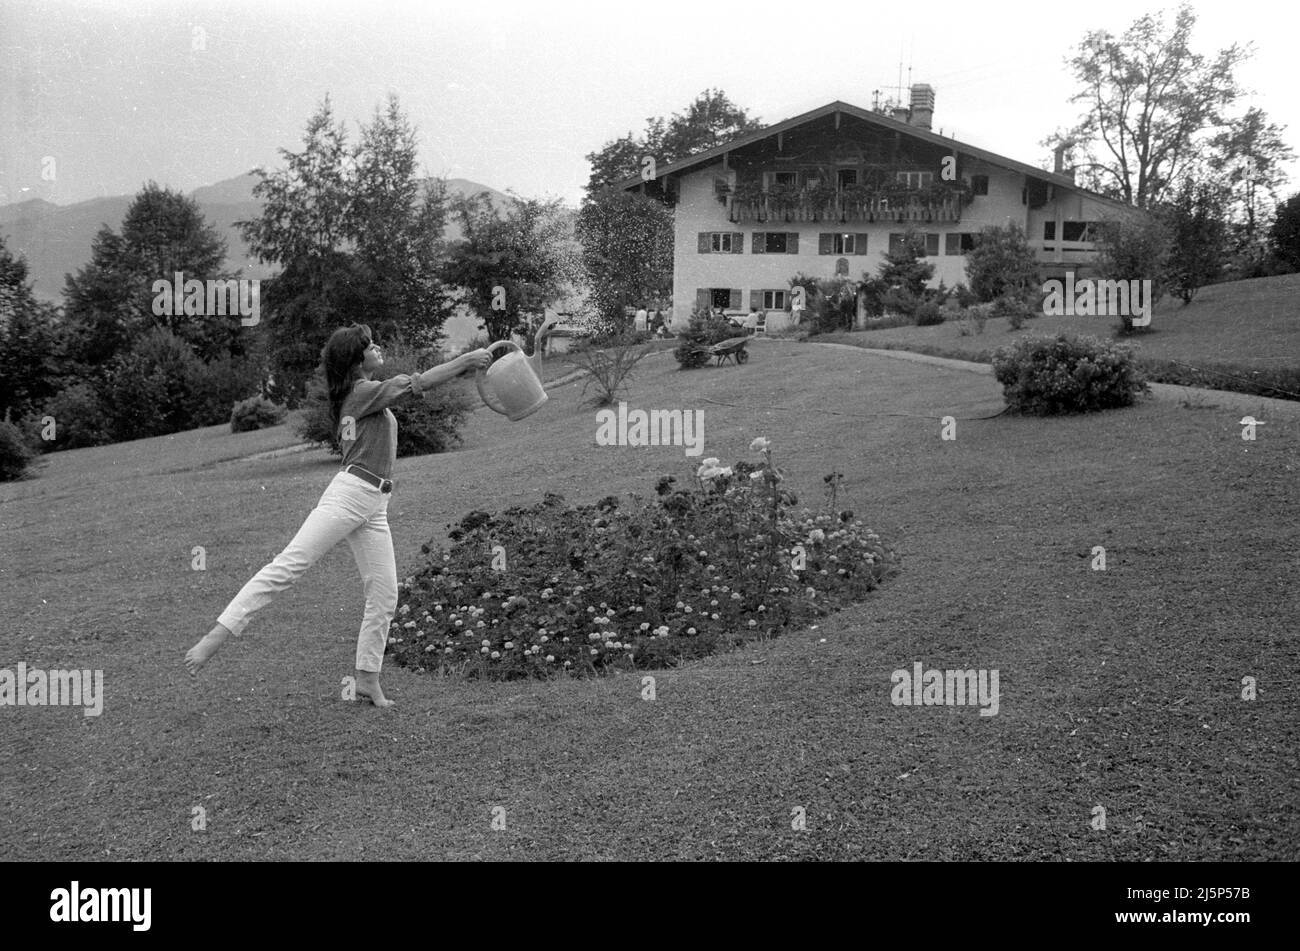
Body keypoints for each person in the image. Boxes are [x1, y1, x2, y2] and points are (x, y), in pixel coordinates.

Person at [184, 325, 493, 708]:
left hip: (374, 504)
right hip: (349, 497)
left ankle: (366, 679)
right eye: (369, 345)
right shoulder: (362, 392)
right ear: (356, 359)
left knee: (384, 595)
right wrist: (467, 360)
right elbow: (420, 382)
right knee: (289, 566)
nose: (377, 346)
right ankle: (214, 638)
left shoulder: (363, 393)